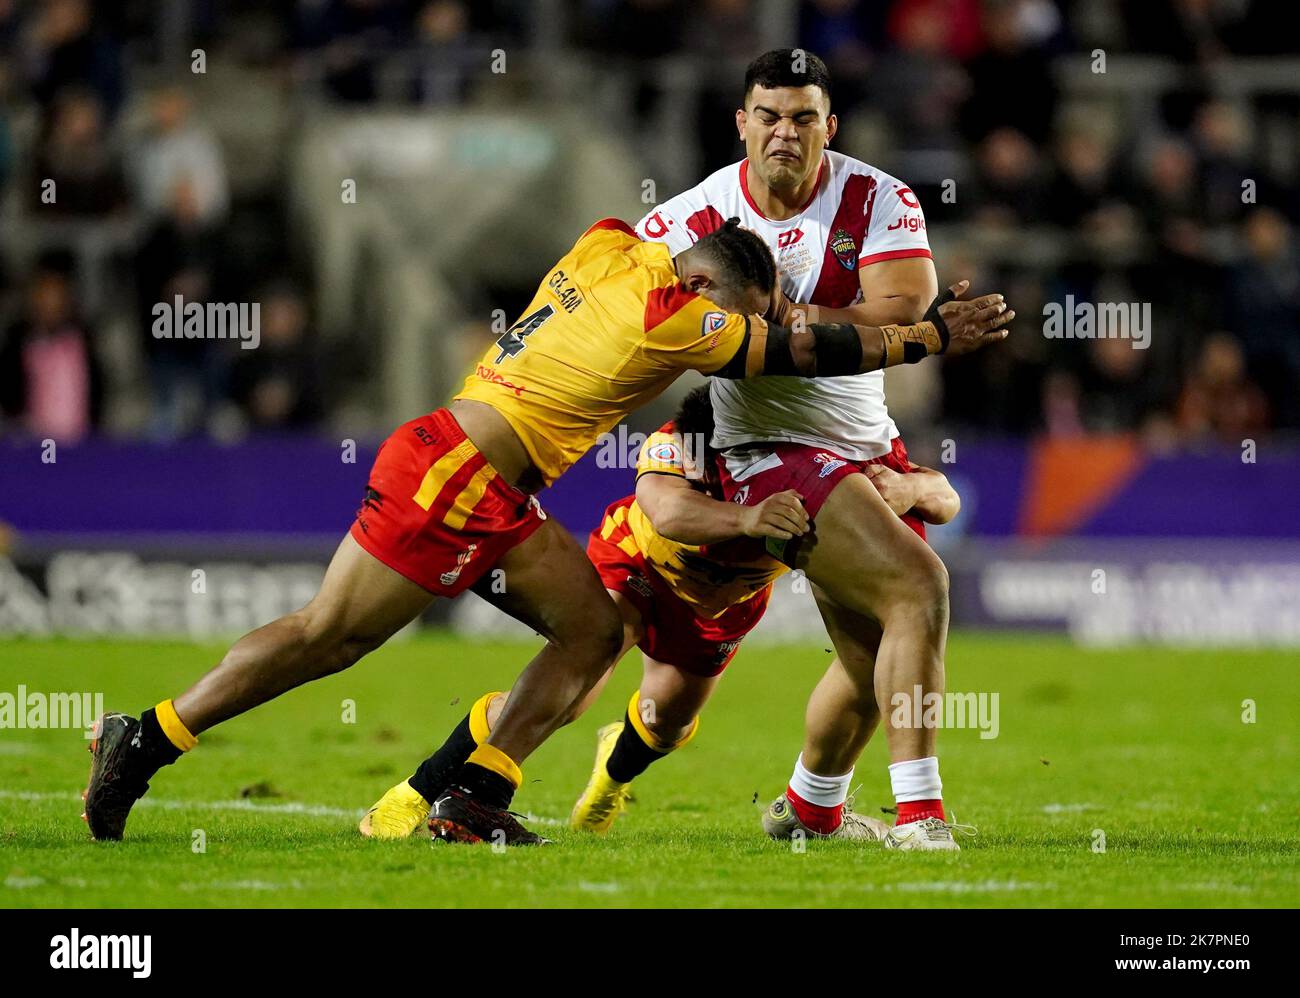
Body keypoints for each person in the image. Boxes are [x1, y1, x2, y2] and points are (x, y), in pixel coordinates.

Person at [84, 216, 1011, 846]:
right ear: (706, 289)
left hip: (491, 484)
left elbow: (667, 247)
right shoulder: (676, 316)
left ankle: (475, 797)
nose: (734, 330)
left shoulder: (609, 246)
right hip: (455, 477)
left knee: (594, 629)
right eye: (736, 310)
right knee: (328, 638)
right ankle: (151, 737)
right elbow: (801, 348)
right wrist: (925, 337)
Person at [637, 49, 972, 849]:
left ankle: (810, 808)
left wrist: (788, 315)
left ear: (830, 126)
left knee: (870, 656)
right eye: (769, 116)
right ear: (742, 123)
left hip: (866, 439)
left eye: (802, 118)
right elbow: (646, 316)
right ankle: (922, 819)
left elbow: (903, 309)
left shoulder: (879, 197)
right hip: (765, 441)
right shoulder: (693, 217)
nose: (785, 133)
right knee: (919, 589)